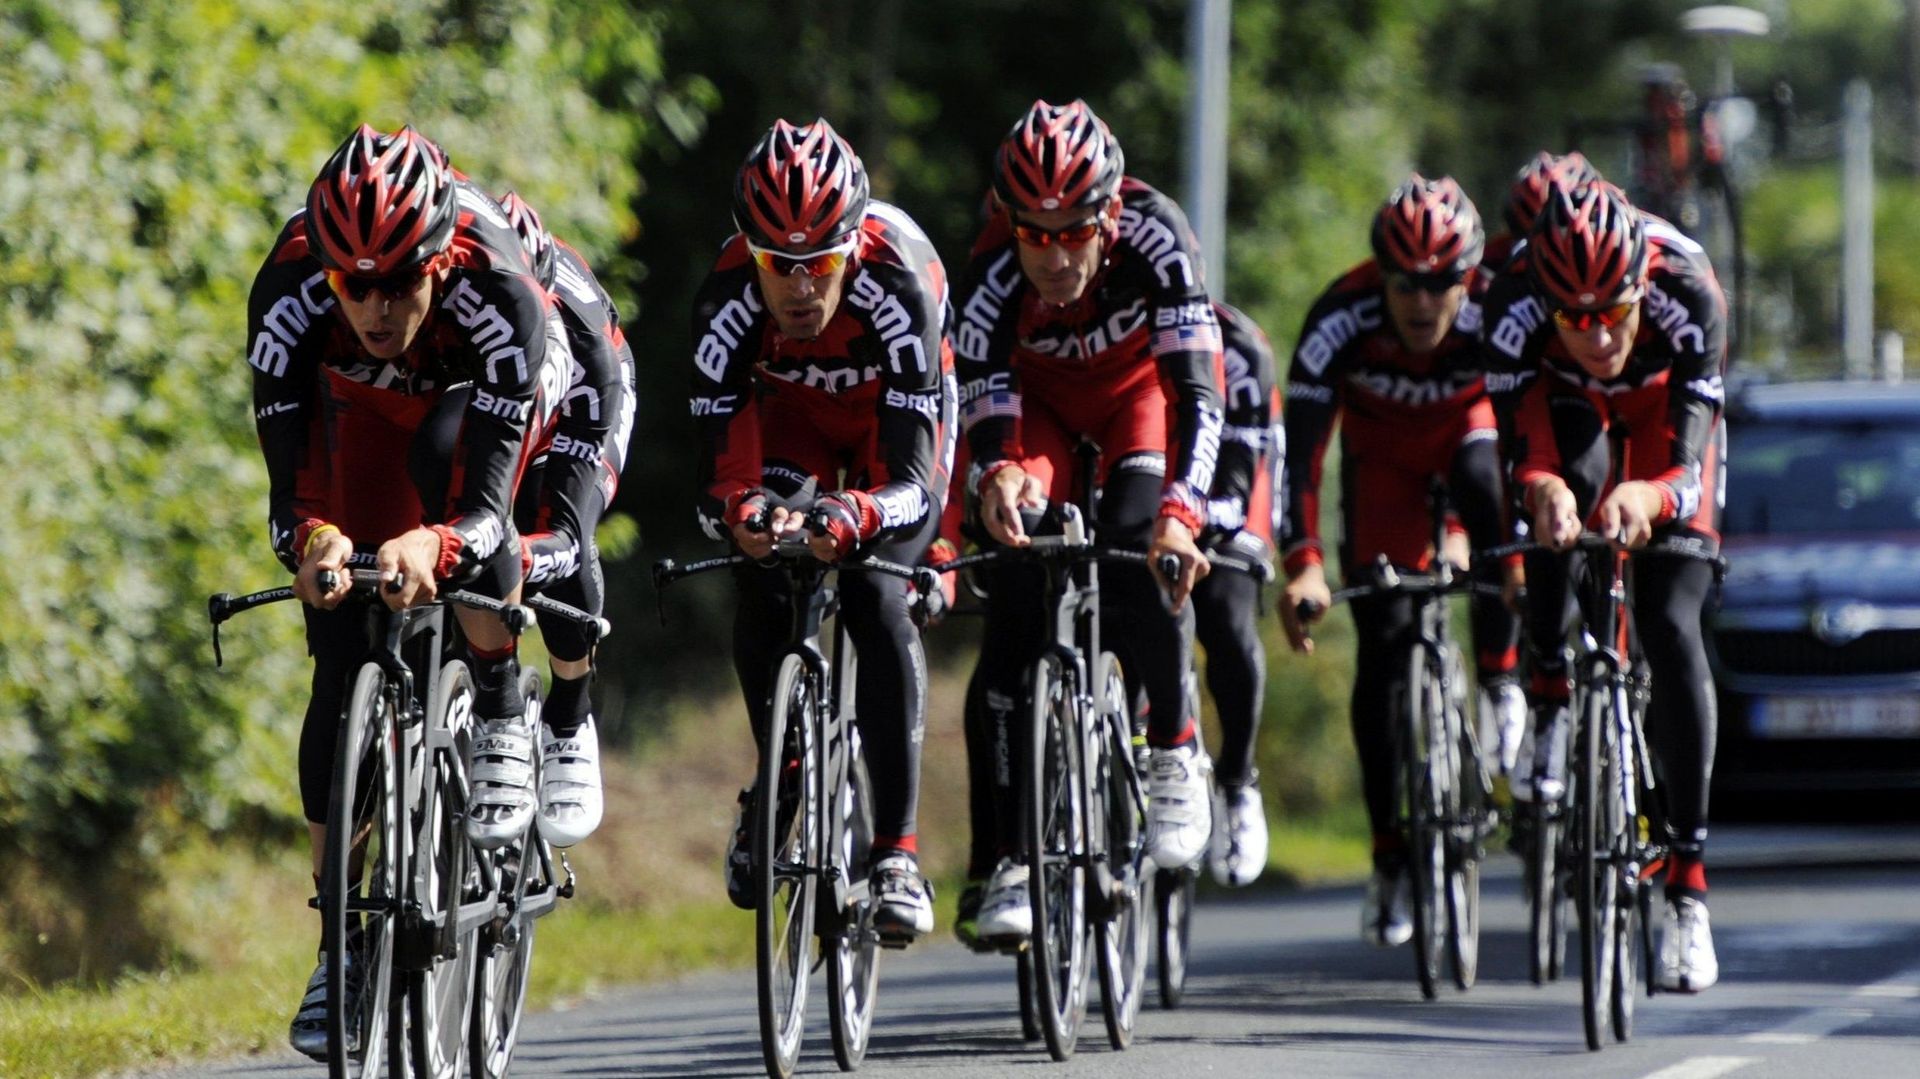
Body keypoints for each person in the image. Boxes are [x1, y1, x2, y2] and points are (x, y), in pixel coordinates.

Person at [249, 125, 560, 1058]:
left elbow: (493, 509)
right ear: (328, 273)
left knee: (453, 510)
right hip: (365, 419)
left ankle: (502, 710)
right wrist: (314, 542)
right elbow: (288, 494)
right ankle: (337, 947)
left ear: (440, 257)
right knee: (339, 668)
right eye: (356, 287)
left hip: (469, 406)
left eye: (400, 284)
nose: (377, 308)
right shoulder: (289, 300)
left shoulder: (499, 289)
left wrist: (443, 538)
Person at [955, 99, 1223, 940]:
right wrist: (995, 477)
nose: (1057, 254)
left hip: (1133, 403)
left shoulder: (1157, 236)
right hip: (1037, 418)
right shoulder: (993, 268)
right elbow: (980, 409)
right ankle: (1006, 855)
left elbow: (1200, 398)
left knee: (1143, 549)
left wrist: (1182, 516)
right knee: (1011, 599)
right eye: (1037, 233)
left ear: (1109, 214)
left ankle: (1174, 743)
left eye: (1074, 232)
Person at [688, 118, 953, 942]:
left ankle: (897, 852)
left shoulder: (899, 287)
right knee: (762, 567)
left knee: (877, 595)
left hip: (890, 430)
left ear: (853, 245)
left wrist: (862, 512)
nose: (800, 289)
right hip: (794, 424)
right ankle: (782, 775)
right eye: (779, 267)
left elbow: (915, 477)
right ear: (749, 252)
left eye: (821, 265)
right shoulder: (724, 300)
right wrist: (745, 515)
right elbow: (719, 477)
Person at [1480, 178, 1726, 992]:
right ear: (1545, 299)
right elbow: (1524, 441)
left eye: (1612, 313)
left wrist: (1653, 495)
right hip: (1571, 411)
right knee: (1565, 493)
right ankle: (1554, 687)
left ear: (1639, 286)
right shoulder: (1512, 300)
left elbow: (1689, 473)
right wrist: (1544, 489)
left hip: (1665, 422)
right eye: (1573, 319)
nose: (1596, 334)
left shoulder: (1689, 290)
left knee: (1670, 620)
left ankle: (1688, 890)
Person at [1277, 174, 1525, 947]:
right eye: (1404, 284)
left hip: (1469, 442)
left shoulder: (1500, 311)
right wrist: (1304, 562)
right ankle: (1389, 857)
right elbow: (1302, 455)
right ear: (1378, 275)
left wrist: (1516, 549)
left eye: (1441, 283)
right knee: (1383, 659)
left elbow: (1534, 430)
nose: (1422, 303)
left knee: (1488, 486)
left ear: (1469, 276)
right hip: (1381, 462)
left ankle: (1501, 678)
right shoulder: (1338, 318)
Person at [497, 191, 637, 845]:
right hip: (491, 397)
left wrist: (527, 553)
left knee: (558, 536)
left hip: (583, 406)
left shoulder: (578, 328)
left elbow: (559, 538)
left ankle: (569, 715)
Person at [1195, 300, 1282, 887]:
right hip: (1155, 479)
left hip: (1234, 480)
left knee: (1226, 616)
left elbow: (1249, 464)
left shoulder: (1238, 345)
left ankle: (1237, 781)